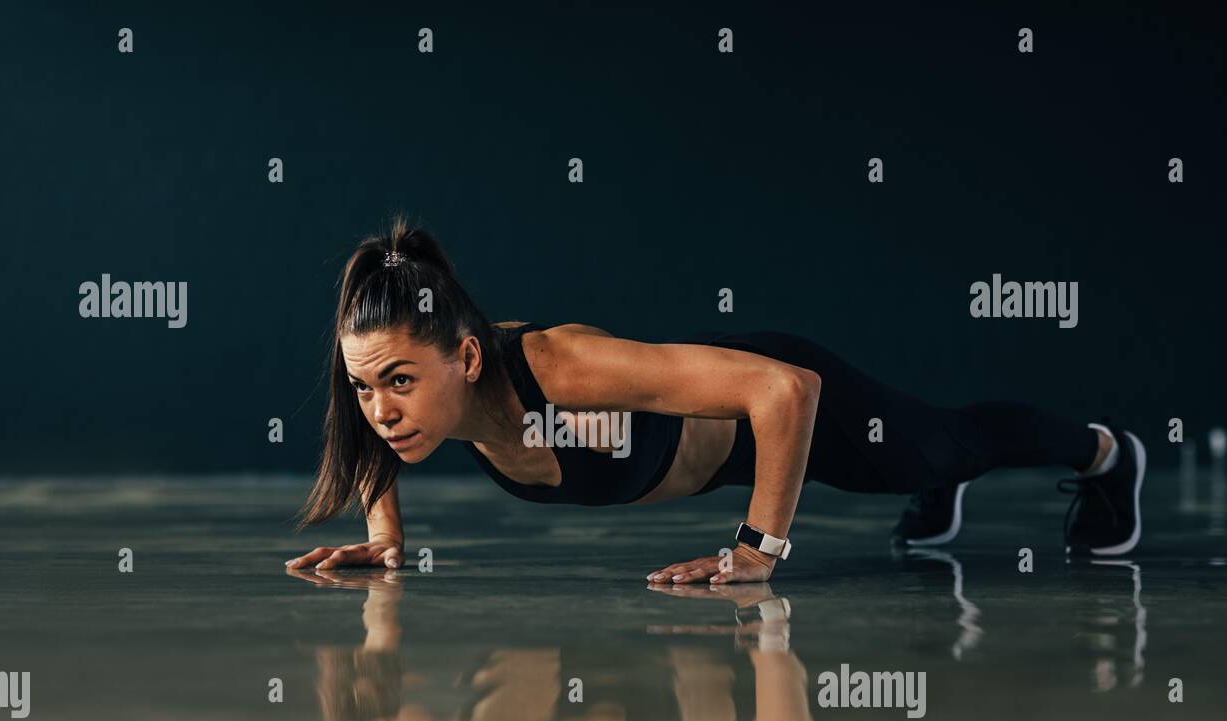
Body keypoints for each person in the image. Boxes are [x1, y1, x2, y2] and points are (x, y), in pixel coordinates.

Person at [287, 216, 1145, 584]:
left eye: (399, 382)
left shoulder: (561, 367)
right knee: (924, 459)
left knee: (943, 446)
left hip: (778, 397)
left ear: (467, 357)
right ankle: (937, 481)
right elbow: (369, 427)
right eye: (365, 387)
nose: (381, 410)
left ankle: (1108, 453)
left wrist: (756, 553)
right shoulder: (419, 390)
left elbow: (784, 391)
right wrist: (384, 534)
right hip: (733, 427)